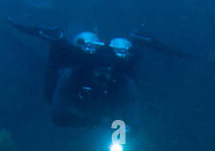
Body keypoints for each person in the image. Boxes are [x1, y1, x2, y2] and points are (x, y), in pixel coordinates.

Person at [8, 20, 141, 128]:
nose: (102, 77)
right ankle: (56, 41)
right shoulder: (71, 75)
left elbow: (131, 116)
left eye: (107, 73)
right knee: (49, 92)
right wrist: (96, 123)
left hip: (99, 115)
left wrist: (122, 135)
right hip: (84, 112)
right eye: (99, 72)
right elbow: (58, 116)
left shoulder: (124, 82)